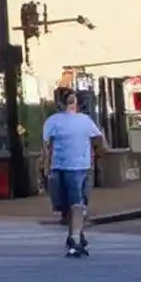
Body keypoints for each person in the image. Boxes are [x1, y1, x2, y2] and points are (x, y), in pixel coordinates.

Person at [44, 91, 106, 257]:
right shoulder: (85, 121)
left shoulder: (53, 121)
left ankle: (75, 237)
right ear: (75, 104)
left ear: (60, 104)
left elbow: (45, 146)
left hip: (59, 167)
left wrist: (44, 168)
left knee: (70, 205)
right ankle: (76, 236)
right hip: (79, 167)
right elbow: (99, 140)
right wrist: (96, 156)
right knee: (77, 204)